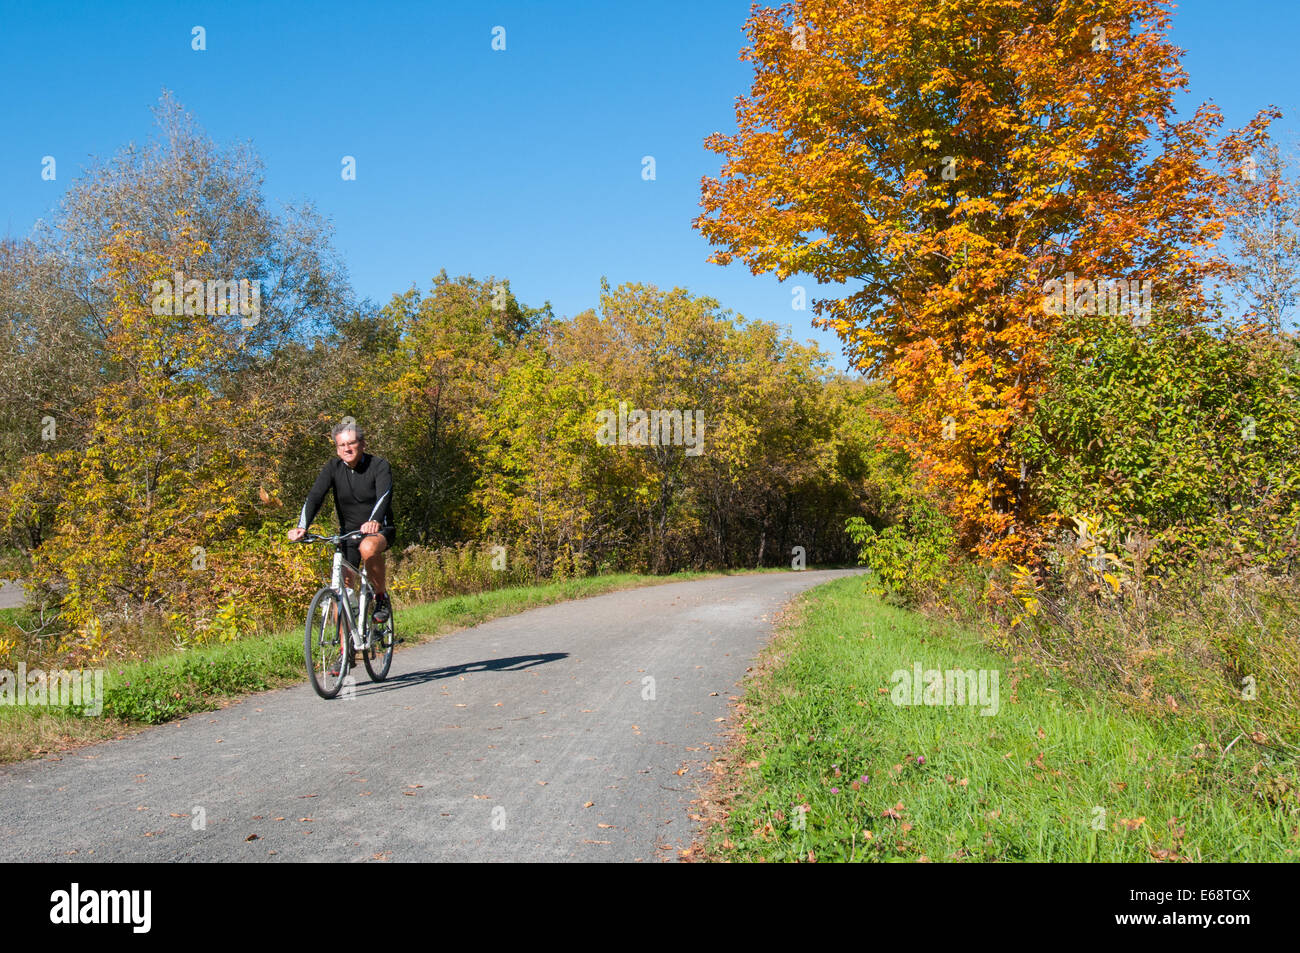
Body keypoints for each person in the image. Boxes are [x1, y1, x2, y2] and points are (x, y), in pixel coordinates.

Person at [288, 421, 395, 668]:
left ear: (362, 444)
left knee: (367, 548)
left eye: (352, 443)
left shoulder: (379, 466)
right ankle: (347, 651)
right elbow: (315, 496)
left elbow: (384, 496)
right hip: (347, 534)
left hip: (379, 529)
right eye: (342, 445)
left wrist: (374, 521)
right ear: (337, 449)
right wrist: (303, 526)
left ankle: (379, 597)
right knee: (341, 591)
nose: (347, 448)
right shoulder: (333, 468)